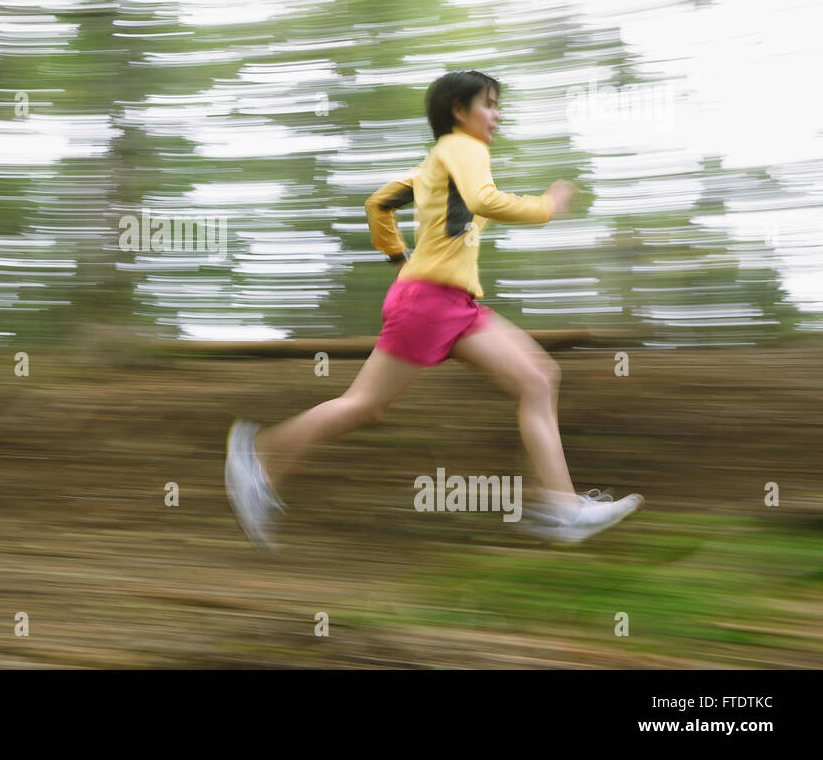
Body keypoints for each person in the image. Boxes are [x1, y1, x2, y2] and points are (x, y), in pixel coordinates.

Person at [225, 70, 643, 551]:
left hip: (452, 305)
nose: (496, 115)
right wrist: (547, 205)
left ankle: (561, 507)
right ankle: (257, 456)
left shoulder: (435, 165)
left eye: (497, 105)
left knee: (538, 378)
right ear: (458, 111)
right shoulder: (463, 148)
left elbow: (379, 203)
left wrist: (398, 259)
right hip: (429, 302)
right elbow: (484, 199)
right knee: (365, 405)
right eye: (488, 104)